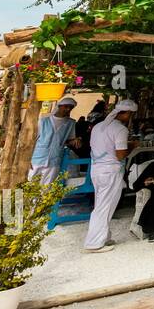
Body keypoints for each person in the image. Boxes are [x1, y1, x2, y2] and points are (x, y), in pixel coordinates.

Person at [83, 99, 138, 253]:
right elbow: (120, 155)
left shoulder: (98, 127)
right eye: (131, 114)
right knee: (104, 207)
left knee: (102, 204)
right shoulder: (120, 130)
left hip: (97, 170)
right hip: (110, 171)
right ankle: (93, 243)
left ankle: (104, 237)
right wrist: (133, 146)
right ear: (126, 114)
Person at [28, 97, 77, 185]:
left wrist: (75, 141)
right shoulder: (43, 121)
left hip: (54, 161)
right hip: (36, 159)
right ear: (59, 106)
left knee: (47, 188)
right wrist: (27, 159)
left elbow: (68, 140)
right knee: (30, 185)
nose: (68, 109)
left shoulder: (71, 123)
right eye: (66, 106)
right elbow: (31, 140)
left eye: (71, 107)